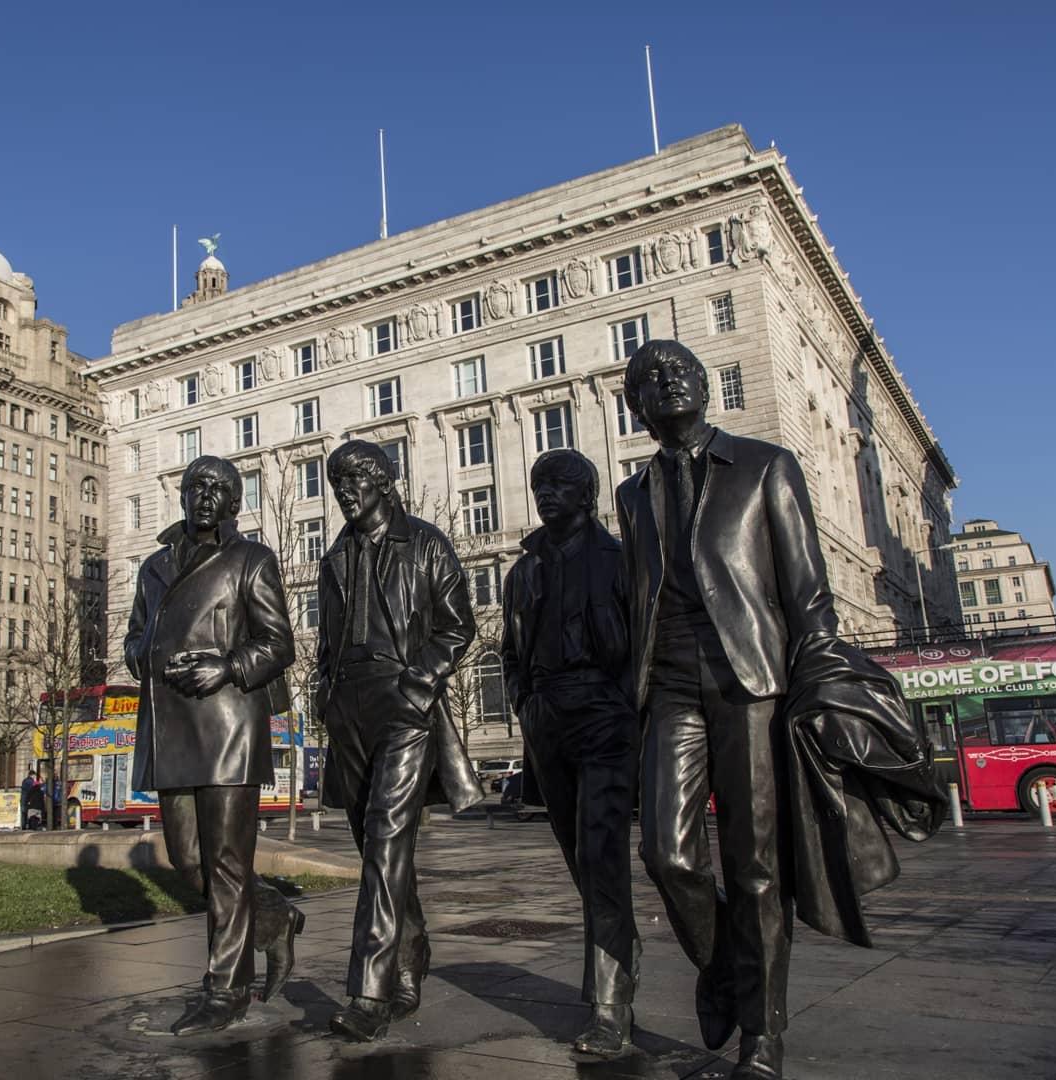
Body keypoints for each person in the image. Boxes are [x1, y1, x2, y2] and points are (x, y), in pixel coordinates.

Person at [617, 340, 839, 1080]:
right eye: (648, 376)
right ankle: (726, 973)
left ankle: (762, 1037)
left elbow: (807, 594)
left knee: (754, 867)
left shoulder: (765, 465)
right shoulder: (632, 492)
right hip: (671, 683)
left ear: (706, 385)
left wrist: (817, 681)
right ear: (636, 406)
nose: (667, 377)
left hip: (752, 680)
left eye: (680, 366)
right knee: (667, 854)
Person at [124, 455, 302, 1035]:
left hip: (227, 724)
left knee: (226, 864)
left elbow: (279, 643)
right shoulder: (152, 567)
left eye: (218, 489)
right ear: (181, 495)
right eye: (195, 486)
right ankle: (272, 917)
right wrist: (141, 655)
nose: (204, 496)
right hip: (171, 726)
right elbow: (134, 634)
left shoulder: (250, 560)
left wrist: (226, 665)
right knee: (188, 859)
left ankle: (226, 990)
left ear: (233, 502)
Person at [318, 439, 484, 1042]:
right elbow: (326, 645)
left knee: (388, 839)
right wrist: (324, 699)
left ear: (385, 481)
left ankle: (370, 989)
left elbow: (457, 625)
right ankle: (411, 953)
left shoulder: (426, 544)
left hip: (404, 703)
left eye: (356, 478)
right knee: (378, 849)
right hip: (350, 711)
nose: (344, 489)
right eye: (337, 480)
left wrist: (421, 681)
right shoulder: (333, 556)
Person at [502, 448, 641, 1056]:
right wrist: (523, 702)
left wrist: (625, 703)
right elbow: (509, 648)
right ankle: (619, 951)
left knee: (601, 851)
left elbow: (643, 639)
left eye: (560, 484)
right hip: (547, 716)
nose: (547, 494)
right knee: (579, 857)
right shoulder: (522, 571)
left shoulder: (620, 559)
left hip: (604, 713)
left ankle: (610, 1007)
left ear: (587, 495)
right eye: (540, 485)